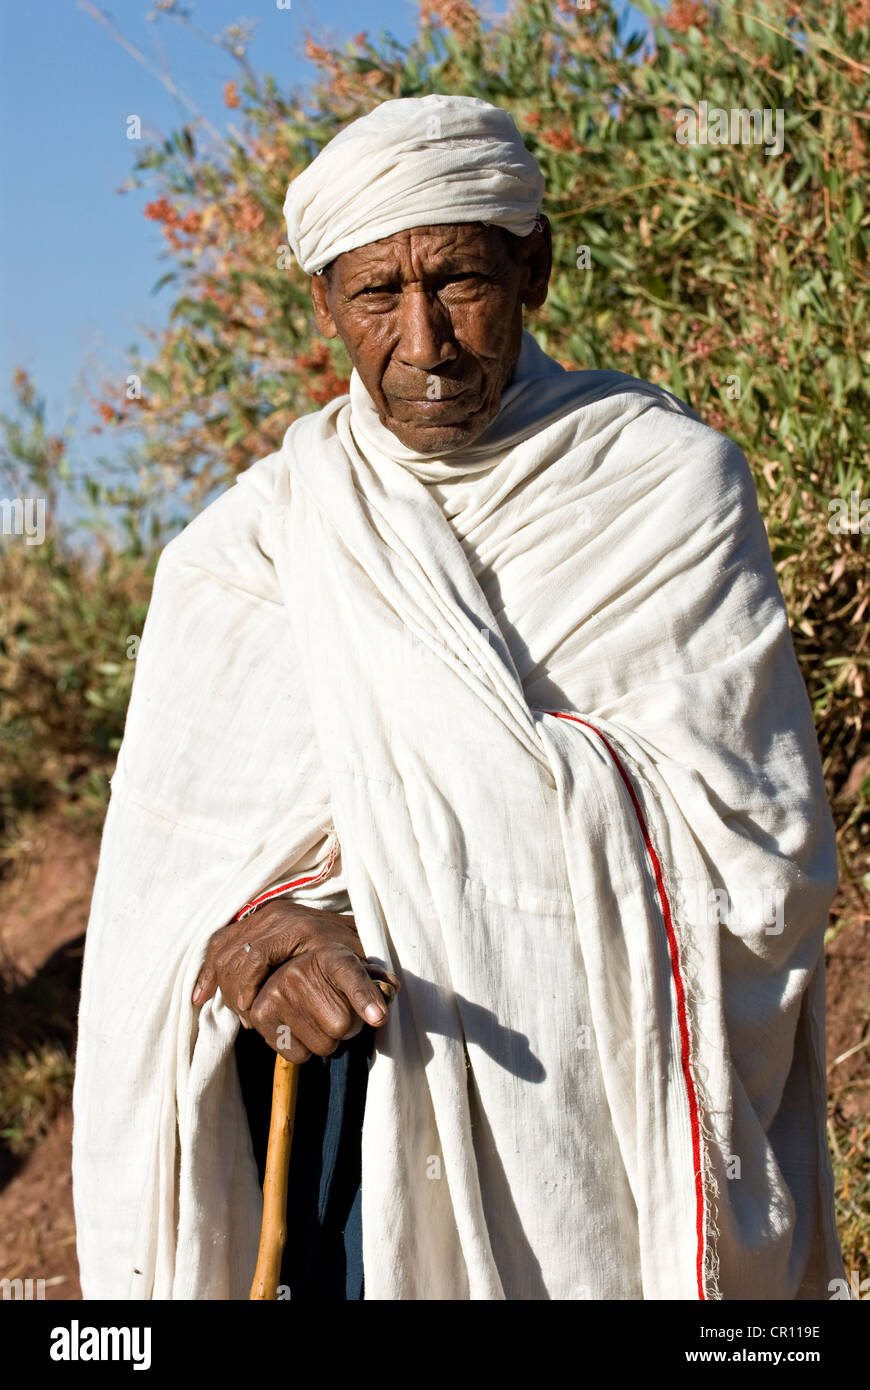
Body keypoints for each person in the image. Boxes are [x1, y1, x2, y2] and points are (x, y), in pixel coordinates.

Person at [72, 94, 844, 1301]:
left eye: (462, 284)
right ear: (325, 305)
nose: (426, 341)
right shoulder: (253, 550)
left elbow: (755, 846)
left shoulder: (663, 488)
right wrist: (255, 938)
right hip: (328, 1121)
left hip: (587, 1107)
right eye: (378, 296)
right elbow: (160, 905)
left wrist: (411, 876)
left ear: (532, 270)